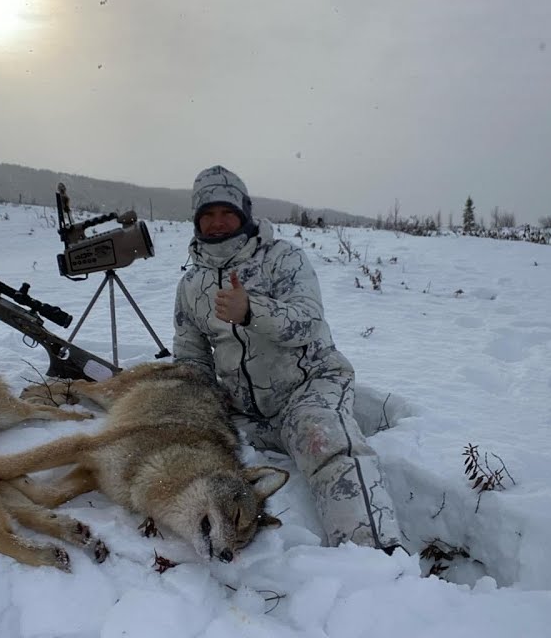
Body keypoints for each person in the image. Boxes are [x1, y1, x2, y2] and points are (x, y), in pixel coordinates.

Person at [173, 165, 404, 554]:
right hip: (245, 412)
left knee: (323, 439)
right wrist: (197, 406)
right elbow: (191, 357)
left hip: (309, 386)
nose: (217, 223)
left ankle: (377, 555)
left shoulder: (283, 259)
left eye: (226, 213)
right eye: (207, 215)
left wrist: (251, 311)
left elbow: (307, 322)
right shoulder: (191, 285)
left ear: (244, 214)